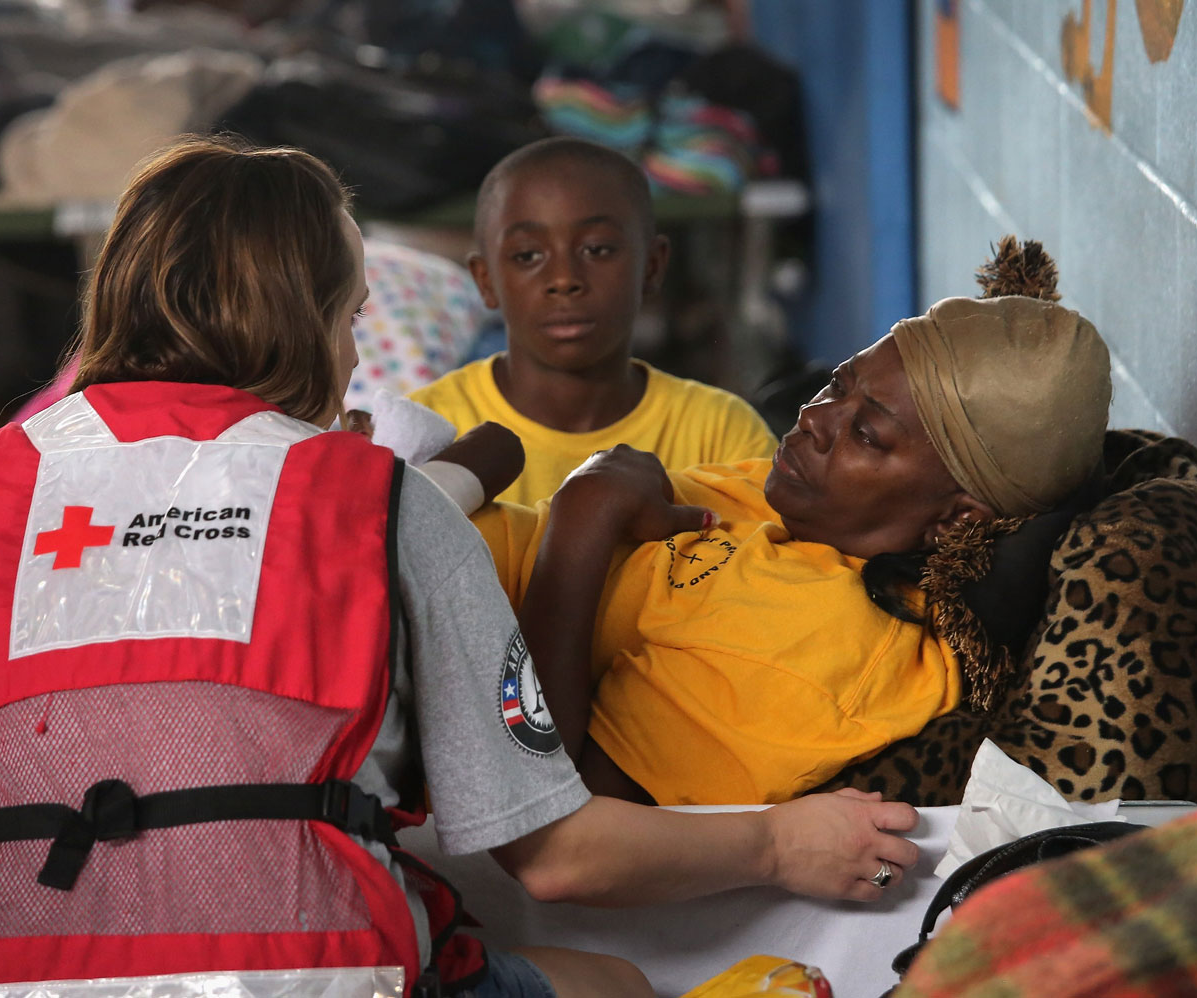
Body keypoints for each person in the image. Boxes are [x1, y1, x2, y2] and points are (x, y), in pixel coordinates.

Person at [0, 136, 923, 998]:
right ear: (311, 318)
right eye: (353, 312)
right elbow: (557, 855)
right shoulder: (382, 499)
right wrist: (782, 846)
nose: (355, 345)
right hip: (306, 972)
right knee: (614, 984)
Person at [474, 293, 1113, 807]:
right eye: (839, 383)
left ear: (954, 520)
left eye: (867, 432)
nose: (815, 415)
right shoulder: (797, 502)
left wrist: (579, 526)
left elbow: (555, 812)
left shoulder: (830, 643)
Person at [409, 136, 777, 507]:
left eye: (597, 249)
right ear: (486, 280)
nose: (564, 278)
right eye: (527, 255)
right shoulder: (428, 436)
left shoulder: (722, 435)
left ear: (652, 265)